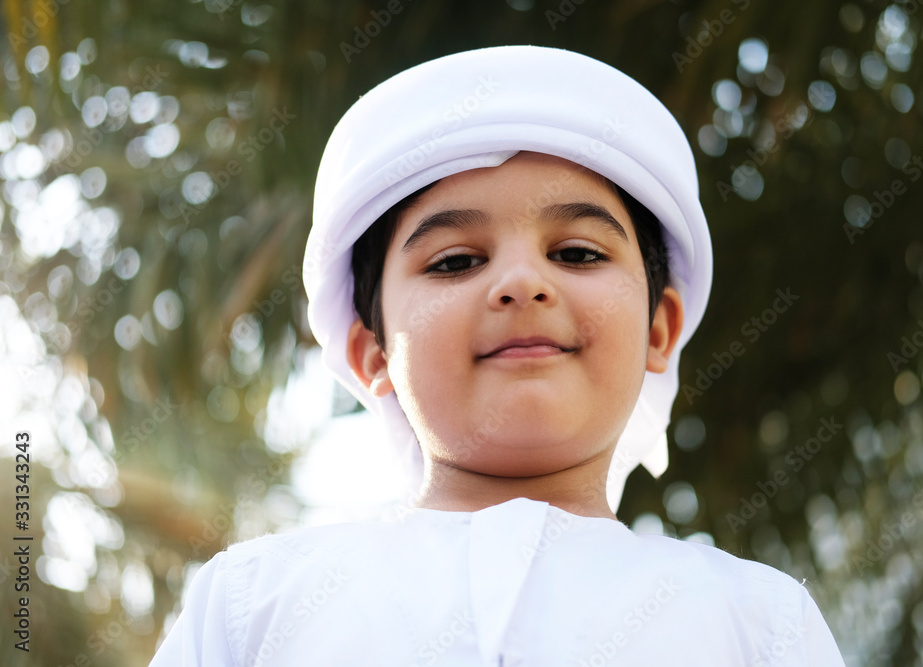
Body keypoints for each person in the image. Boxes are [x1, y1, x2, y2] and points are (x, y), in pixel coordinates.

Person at [149, 45, 846, 665]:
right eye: (455, 262)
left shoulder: (763, 625)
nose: (521, 282)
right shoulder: (248, 607)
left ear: (661, 329)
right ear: (371, 350)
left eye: (576, 252)